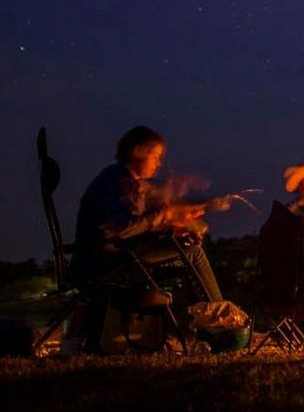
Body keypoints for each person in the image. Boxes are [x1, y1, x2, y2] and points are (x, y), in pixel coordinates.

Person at [69, 125, 226, 349]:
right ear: (139, 151)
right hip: (107, 261)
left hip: (119, 255)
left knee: (187, 249)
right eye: (156, 156)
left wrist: (177, 221)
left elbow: (141, 222)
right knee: (194, 254)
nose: (159, 163)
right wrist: (164, 215)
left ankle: (209, 327)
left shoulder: (124, 180)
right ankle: (221, 323)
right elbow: (123, 228)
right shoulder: (118, 182)